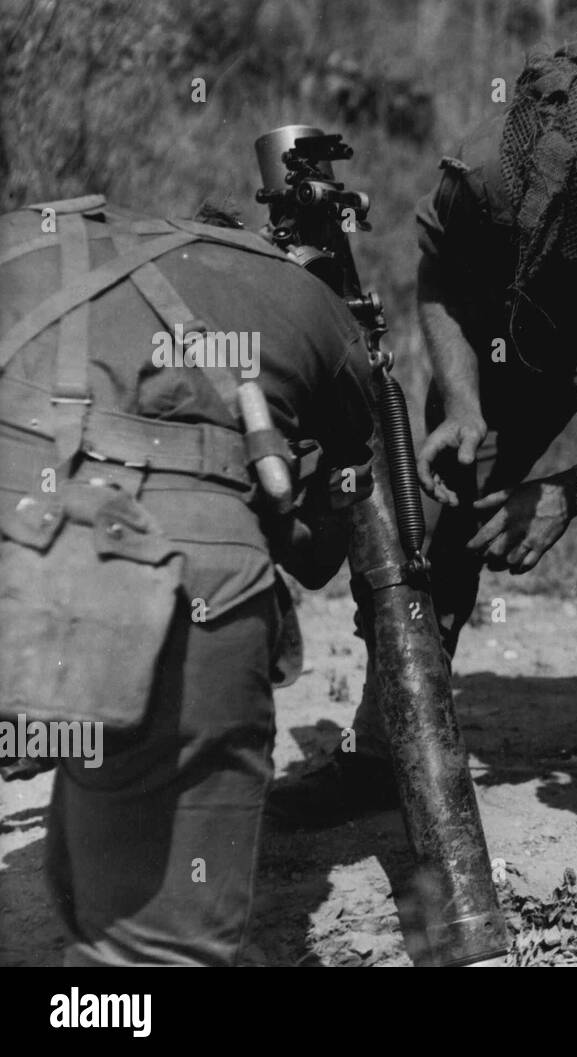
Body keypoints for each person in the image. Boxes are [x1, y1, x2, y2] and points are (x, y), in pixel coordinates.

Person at [270, 22, 577, 868]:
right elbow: (438, 278)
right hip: (519, 334)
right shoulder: (495, 172)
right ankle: (390, 733)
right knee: (430, 486)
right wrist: (461, 405)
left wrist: (571, 491)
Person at [0, 195, 374, 965]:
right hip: (174, 580)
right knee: (146, 963)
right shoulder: (306, 298)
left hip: (21, 550)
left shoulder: (23, 236)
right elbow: (314, 548)